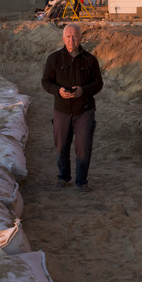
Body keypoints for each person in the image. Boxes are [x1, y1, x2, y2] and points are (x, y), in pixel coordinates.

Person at [41, 23, 103, 192]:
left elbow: (98, 84)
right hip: (61, 110)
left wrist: (83, 91)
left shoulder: (90, 60)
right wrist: (58, 91)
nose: (71, 40)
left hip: (85, 110)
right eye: (68, 37)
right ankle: (63, 177)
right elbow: (45, 82)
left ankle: (82, 181)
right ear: (63, 38)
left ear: (81, 39)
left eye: (75, 37)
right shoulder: (54, 59)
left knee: (83, 147)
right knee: (61, 146)